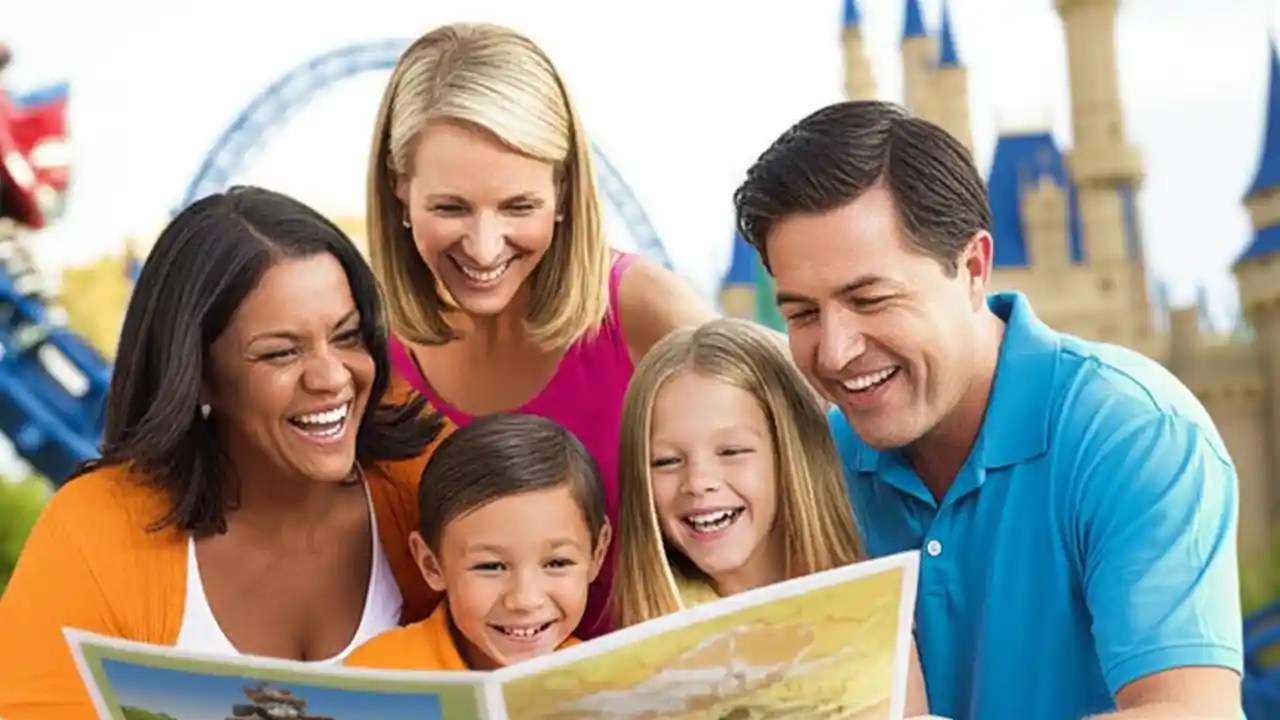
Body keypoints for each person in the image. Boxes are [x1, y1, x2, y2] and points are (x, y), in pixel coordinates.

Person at [732, 99, 1244, 719]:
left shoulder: (1133, 434)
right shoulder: (815, 465)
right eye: (803, 314)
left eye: (870, 300)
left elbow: (1189, 711)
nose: (836, 352)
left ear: (973, 267)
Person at [0, 186, 445, 718]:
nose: (332, 377)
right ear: (198, 375)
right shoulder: (96, 528)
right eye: (281, 353)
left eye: (347, 337)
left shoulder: (430, 483)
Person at [365, 21, 715, 638]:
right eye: (450, 207)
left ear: (563, 191)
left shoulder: (644, 315)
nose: (484, 246)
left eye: (518, 207)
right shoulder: (363, 350)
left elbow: (790, 463)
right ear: (399, 190)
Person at [609, 317, 930, 717]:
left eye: (732, 452)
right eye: (666, 461)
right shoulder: (639, 653)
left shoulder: (872, 613)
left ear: (791, 455)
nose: (699, 482)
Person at [345, 413, 610, 670]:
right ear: (431, 564)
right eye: (491, 566)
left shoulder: (606, 684)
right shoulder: (376, 675)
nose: (525, 599)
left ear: (597, 553)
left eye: (557, 563)